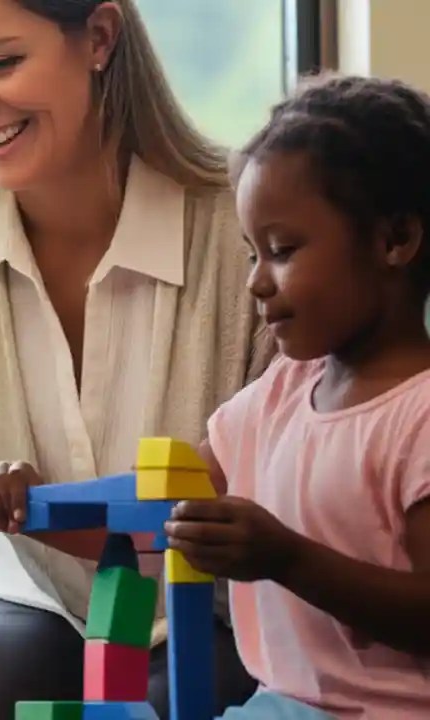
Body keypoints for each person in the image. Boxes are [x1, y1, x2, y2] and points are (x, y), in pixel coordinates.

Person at [0, 1, 273, 719]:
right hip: (39, 604)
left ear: (99, 38)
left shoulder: (247, 231)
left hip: (220, 611)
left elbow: (288, 501)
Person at [164, 74, 430, 720]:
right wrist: (34, 503)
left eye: (281, 250)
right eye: (252, 254)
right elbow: (165, 504)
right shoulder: (279, 392)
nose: (257, 283)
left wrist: (287, 558)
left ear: (394, 239)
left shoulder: (420, 415)